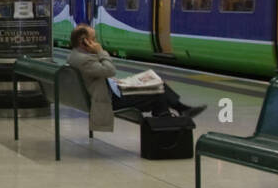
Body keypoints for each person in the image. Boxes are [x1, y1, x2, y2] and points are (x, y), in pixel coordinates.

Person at [67, 24, 204, 130]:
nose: (96, 42)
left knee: (156, 83)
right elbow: (110, 70)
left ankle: (179, 112)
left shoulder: (76, 56)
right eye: (93, 39)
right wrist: (100, 51)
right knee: (157, 92)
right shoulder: (83, 60)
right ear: (83, 41)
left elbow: (102, 73)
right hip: (111, 99)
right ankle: (168, 127)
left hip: (110, 91)